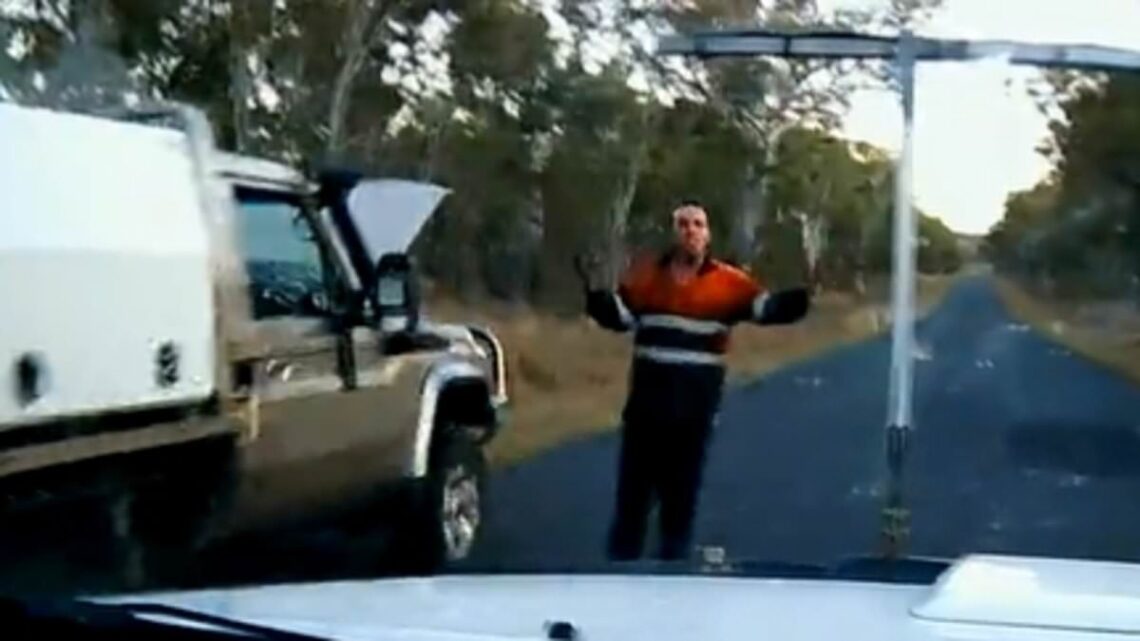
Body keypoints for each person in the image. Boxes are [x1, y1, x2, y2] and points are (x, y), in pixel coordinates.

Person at [577, 200, 810, 561]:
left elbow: (765, 309)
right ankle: (619, 578)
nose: (691, 231)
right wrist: (597, 300)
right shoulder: (646, 277)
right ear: (674, 233)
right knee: (632, 502)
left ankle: (673, 580)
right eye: (683, 224)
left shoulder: (729, 284)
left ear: (708, 235)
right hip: (645, 412)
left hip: (694, 415)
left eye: (698, 225)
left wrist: (799, 298)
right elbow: (622, 318)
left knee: (679, 502)